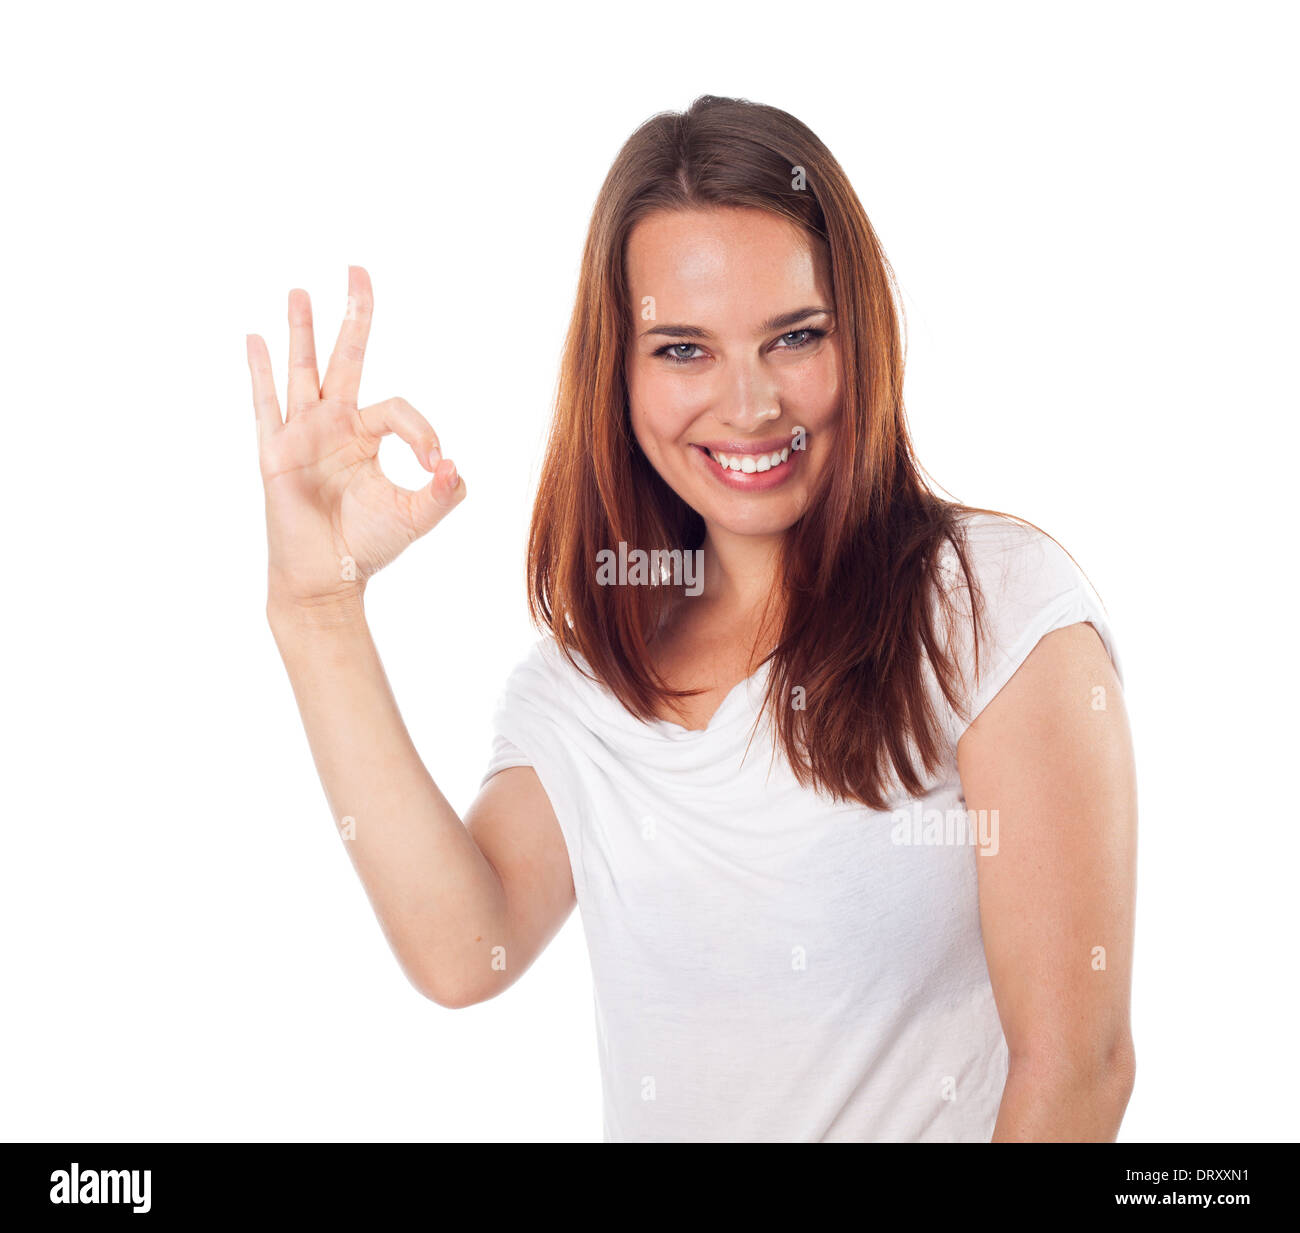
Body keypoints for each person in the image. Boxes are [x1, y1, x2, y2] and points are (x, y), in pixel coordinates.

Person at [245, 95, 1137, 1143]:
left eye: (794, 337)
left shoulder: (991, 610)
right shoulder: (581, 686)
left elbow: (1077, 1073)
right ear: (617, 372)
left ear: (863, 338)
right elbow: (463, 953)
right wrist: (317, 606)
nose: (750, 403)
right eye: (682, 349)